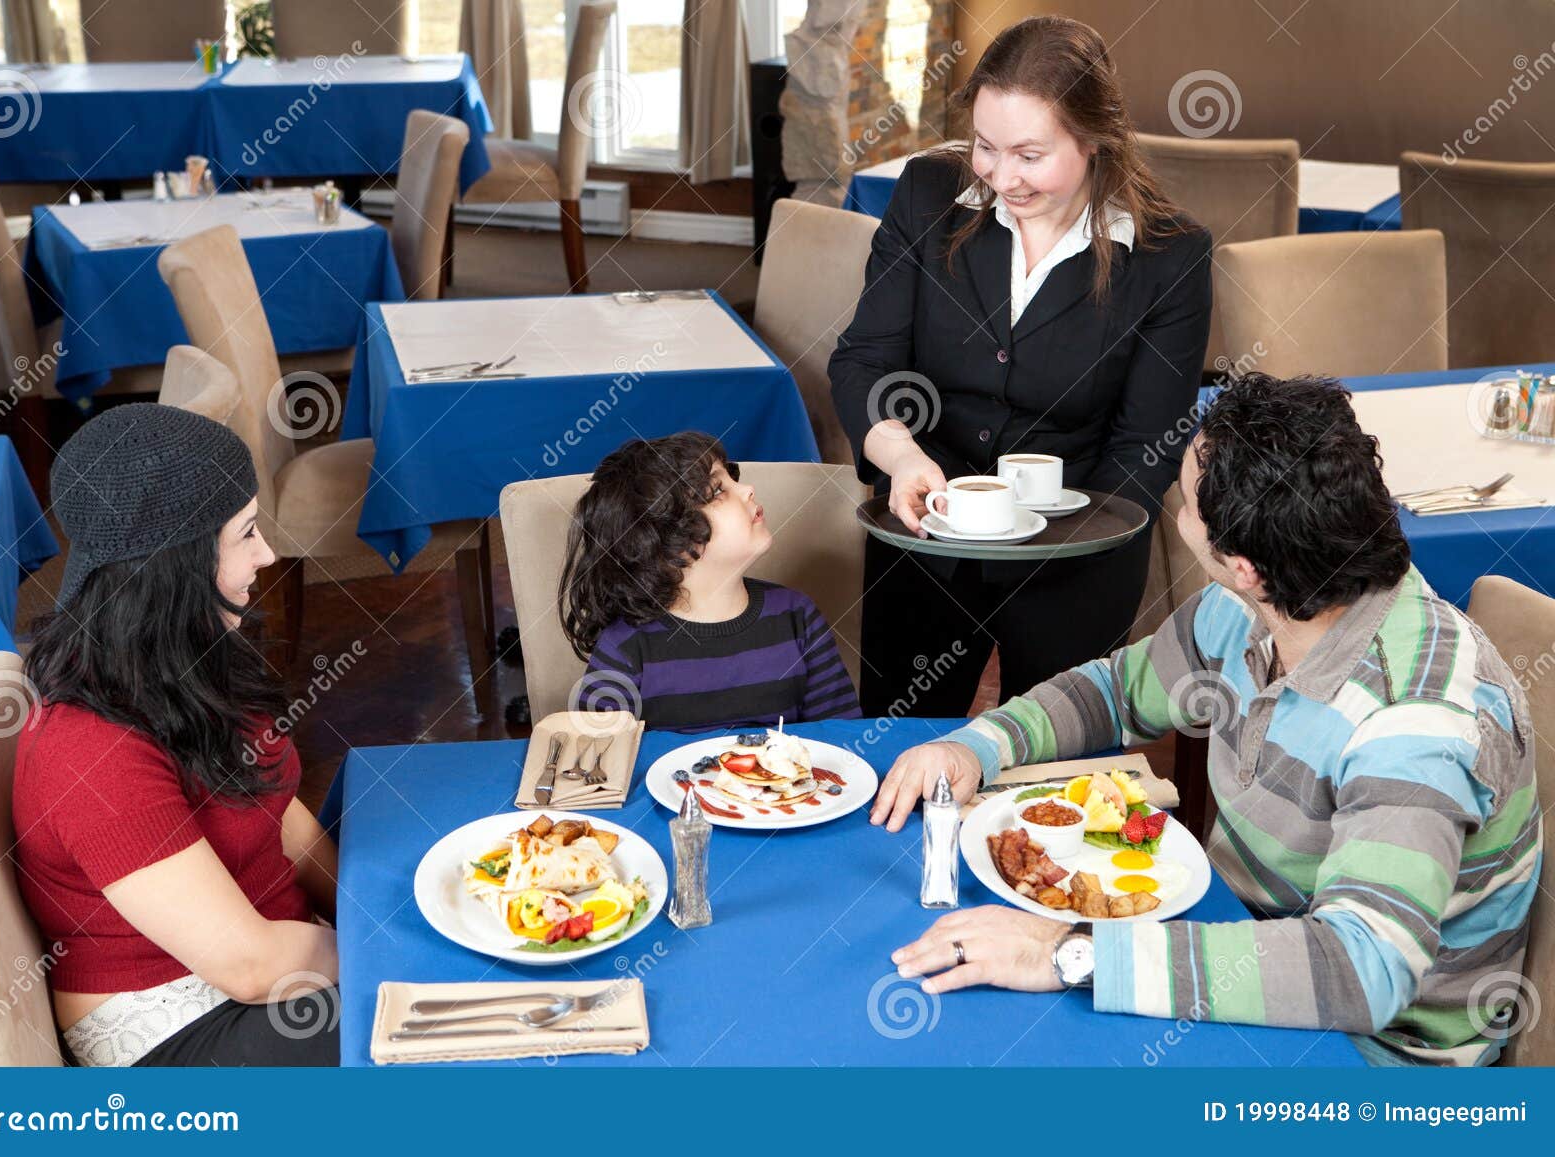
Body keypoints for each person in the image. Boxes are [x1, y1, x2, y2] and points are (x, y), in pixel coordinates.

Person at [877, 373, 1541, 1066]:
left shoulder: (1419, 721)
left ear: (1245, 565)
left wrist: (1067, 951)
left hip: (1373, 1057)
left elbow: (1360, 969)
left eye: (1188, 502)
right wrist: (981, 743)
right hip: (1238, 947)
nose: (1175, 503)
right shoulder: (1258, 607)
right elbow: (1114, 692)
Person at [829, 15, 1212, 717]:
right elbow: (864, 361)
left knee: (1055, 784)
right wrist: (902, 456)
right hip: (926, 533)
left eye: (1030, 155)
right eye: (984, 146)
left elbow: (1142, 447)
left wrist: (1046, 542)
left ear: (1095, 140)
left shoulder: (1170, 256)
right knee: (903, 760)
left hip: (1081, 552)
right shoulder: (926, 194)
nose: (1002, 176)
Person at [13, 404, 340, 1067]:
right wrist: (385, 946)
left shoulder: (187, 654)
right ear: (179, 567)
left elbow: (280, 816)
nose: (267, 553)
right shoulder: (86, 751)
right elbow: (247, 965)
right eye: (246, 533)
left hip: (268, 960)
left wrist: (381, 909)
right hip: (178, 1028)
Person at [560, 432, 860, 731]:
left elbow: (841, 739)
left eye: (733, 478)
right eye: (717, 490)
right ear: (659, 542)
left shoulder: (797, 615)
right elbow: (597, 763)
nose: (748, 489)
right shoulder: (624, 646)